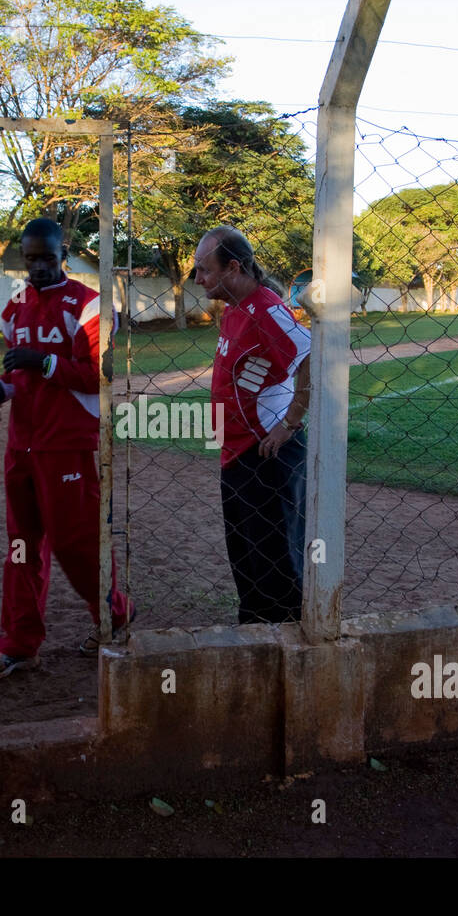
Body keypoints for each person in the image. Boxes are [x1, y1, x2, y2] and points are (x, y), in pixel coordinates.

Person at [0, 217, 131, 677]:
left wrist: (43, 361)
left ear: (63, 254)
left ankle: (115, 616)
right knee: (21, 545)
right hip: (22, 443)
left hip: (67, 441)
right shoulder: (16, 306)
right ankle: (20, 643)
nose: (39, 267)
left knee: (75, 542)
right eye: (31, 259)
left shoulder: (88, 306)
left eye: (48, 257)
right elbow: (18, 371)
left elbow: (96, 376)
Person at [193, 226, 311, 624]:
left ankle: (290, 652)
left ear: (234, 267)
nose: (198, 279)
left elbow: (312, 355)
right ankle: (254, 641)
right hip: (237, 454)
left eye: (204, 269)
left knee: (275, 565)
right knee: (246, 561)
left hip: (267, 454)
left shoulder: (267, 310)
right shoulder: (234, 310)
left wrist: (290, 423)